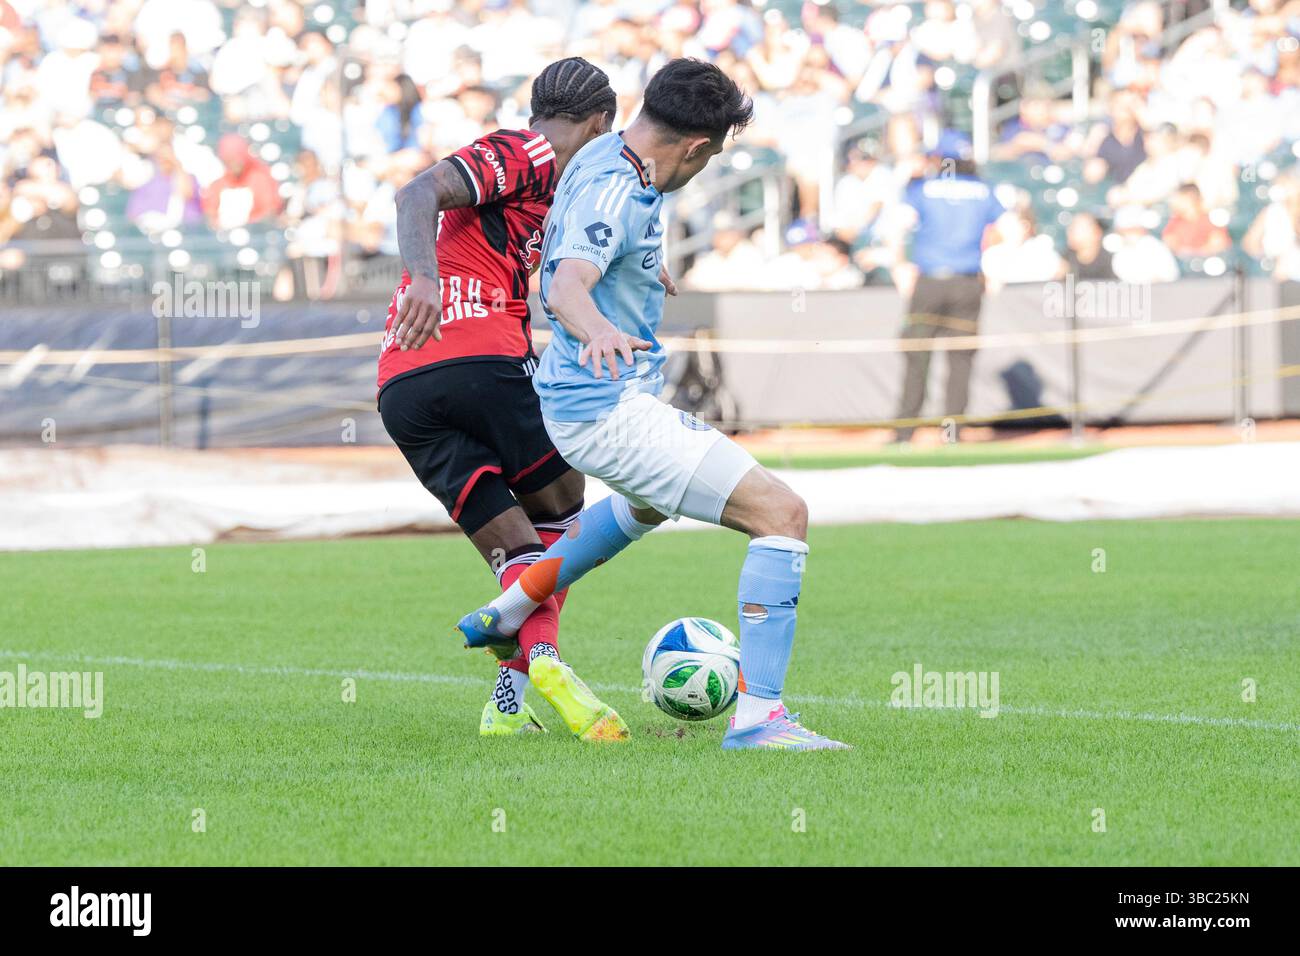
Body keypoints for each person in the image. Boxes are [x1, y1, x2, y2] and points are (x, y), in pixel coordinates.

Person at [456, 57, 849, 752]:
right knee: (783, 513)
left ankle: (510, 608)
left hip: (578, 402)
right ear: (697, 146)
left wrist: (639, 264)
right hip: (607, 409)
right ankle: (760, 719)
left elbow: (580, 230)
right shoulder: (617, 189)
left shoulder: (604, 146)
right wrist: (600, 326)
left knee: (643, 506)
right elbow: (568, 284)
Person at [378, 58, 623, 742]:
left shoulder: (567, 189)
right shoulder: (531, 149)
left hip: (402, 386)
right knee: (569, 520)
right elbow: (414, 194)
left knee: (519, 554)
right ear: (600, 122)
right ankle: (543, 659)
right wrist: (422, 278)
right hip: (479, 354)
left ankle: (506, 706)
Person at [891, 132, 1003, 443]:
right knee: (960, 360)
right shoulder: (984, 191)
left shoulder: (921, 188)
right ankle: (953, 433)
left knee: (917, 356)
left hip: (929, 282)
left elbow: (897, 227)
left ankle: (904, 433)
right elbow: (1004, 230)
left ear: (940, 159)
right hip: (967, 282)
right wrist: (991, 268)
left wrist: (899, 265)